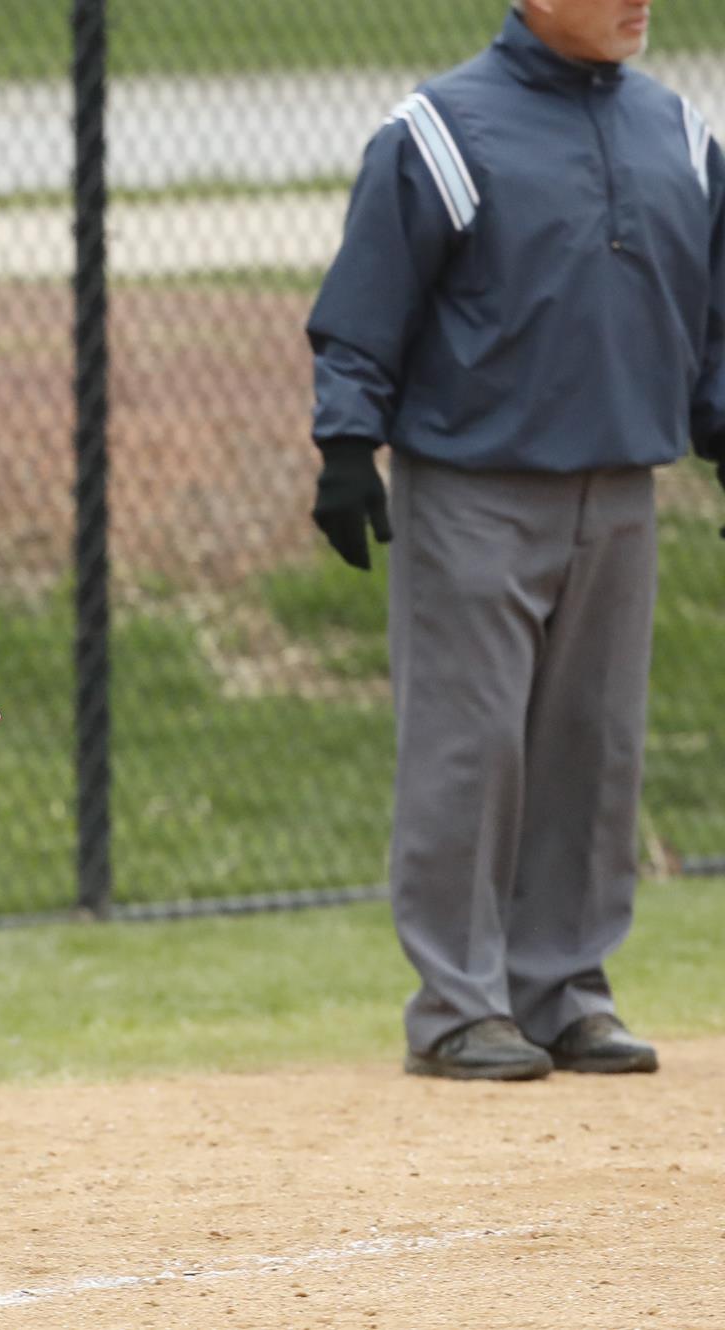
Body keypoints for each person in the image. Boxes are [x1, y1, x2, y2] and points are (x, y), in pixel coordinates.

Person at [306, 0, 723, 1080]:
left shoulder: (677, 130)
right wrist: (346, 444)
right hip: (473, 486)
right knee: (470, 746)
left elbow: (712, 313)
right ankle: (457, 1004)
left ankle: (564, 991)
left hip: (621, 487)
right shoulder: (441, 131)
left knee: (595, 746)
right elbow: (364, 306)